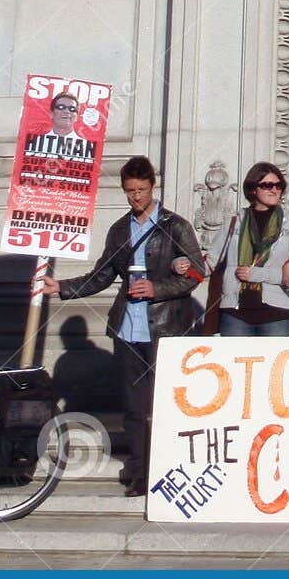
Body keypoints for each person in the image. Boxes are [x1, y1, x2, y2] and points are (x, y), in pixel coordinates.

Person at [40, 155, 201, 498]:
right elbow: (101, 276)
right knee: (134, 406)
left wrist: (158, 288)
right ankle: (141, 471)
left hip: (166, 330)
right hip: (128, 330)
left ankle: (165, 468)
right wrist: (63, 287)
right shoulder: (118, 230)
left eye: (142, 190)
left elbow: (199, 273)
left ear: (153, 187)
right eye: (130, 191)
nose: (136, 197)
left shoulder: (175, 226)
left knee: (163, 405)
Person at [197, 162, 289, 337]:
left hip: (276, 314)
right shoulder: (234, 221)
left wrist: (259, 274)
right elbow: (211, 261)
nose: (274, 190)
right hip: (235, 312)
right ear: (253, 189)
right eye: (267, 185)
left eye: (279, 185)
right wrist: (183, 265)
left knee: (274, 364)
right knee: (235, 363)